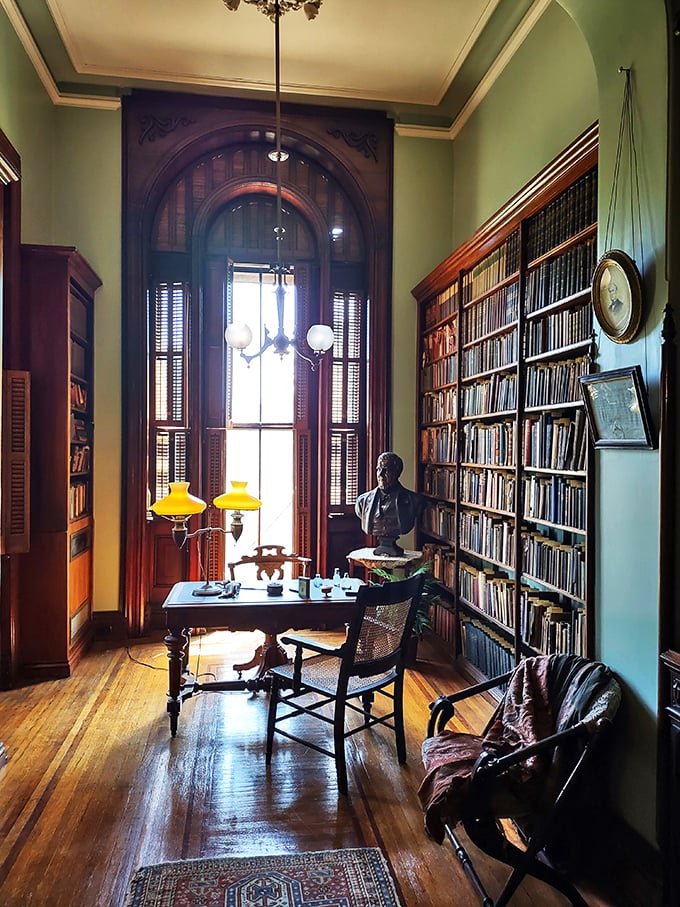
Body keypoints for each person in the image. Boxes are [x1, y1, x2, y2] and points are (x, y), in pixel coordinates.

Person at [355, 451, 423, 556]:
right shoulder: (362, 501)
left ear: (397, 473)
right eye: (378, 469)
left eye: (386, 470)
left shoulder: (413, 501)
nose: (380, 474)